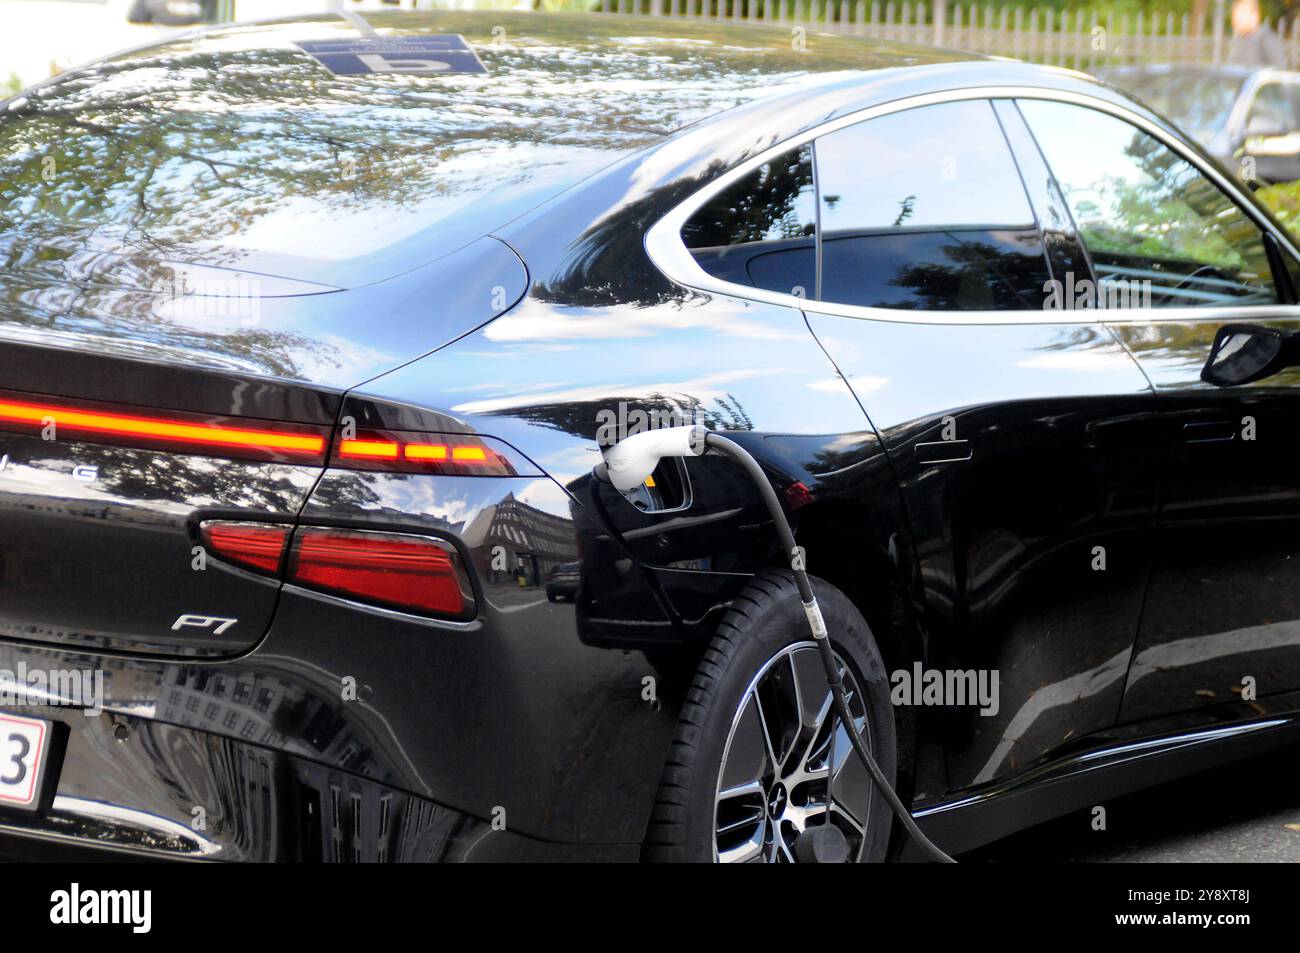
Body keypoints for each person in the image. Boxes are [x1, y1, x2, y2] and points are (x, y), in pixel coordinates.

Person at [1227, 0, 1289, 66]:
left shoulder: (1265, 38)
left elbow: (1279, 68)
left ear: (1254, 15)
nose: (1235, 20)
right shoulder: (1239, 41)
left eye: (1240, 15)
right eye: (1235, 15)